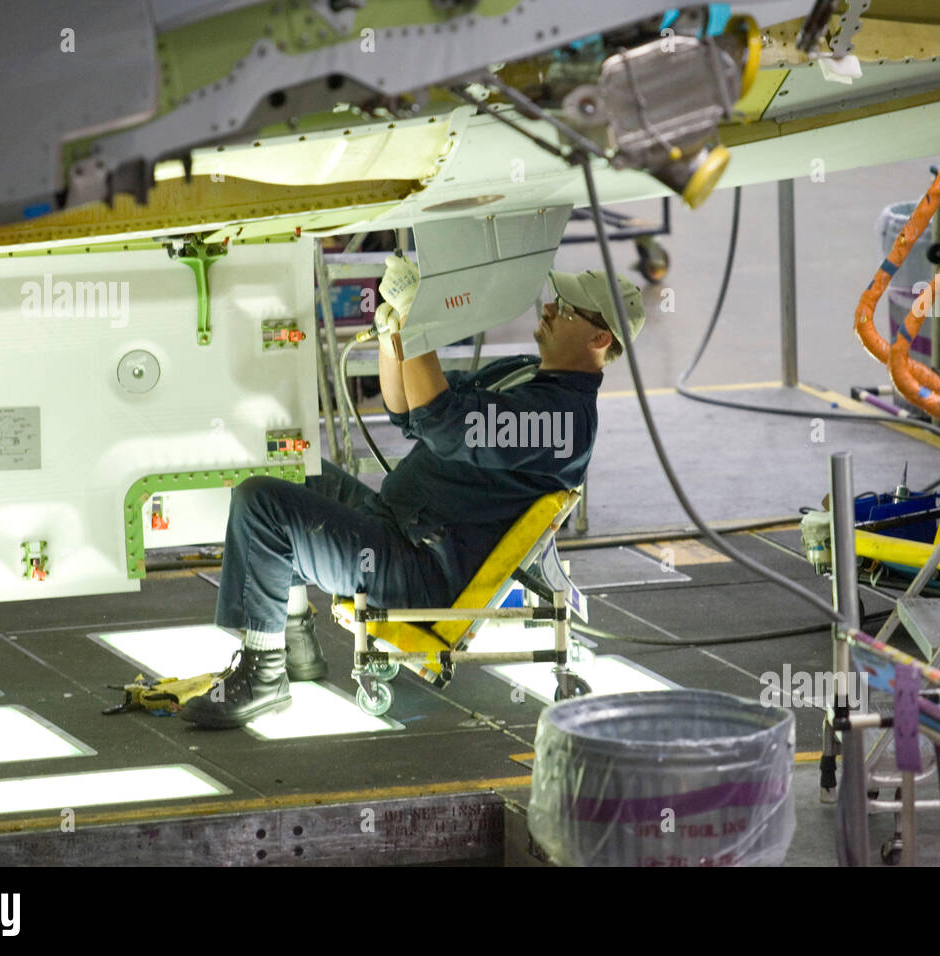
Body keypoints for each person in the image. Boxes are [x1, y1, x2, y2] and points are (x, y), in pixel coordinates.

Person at [180, 258, 646, 727]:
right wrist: (394, 335)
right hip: (395, 527)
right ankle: (294, 643)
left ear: (599, 339)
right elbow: (411, 412)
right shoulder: (529, 375)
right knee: (289, 471)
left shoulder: (561, 423)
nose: (549, 307)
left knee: (262, 504)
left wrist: (417, 318)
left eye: (566, 308)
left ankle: (264, 676)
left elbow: (443, 422)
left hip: (416, 568)